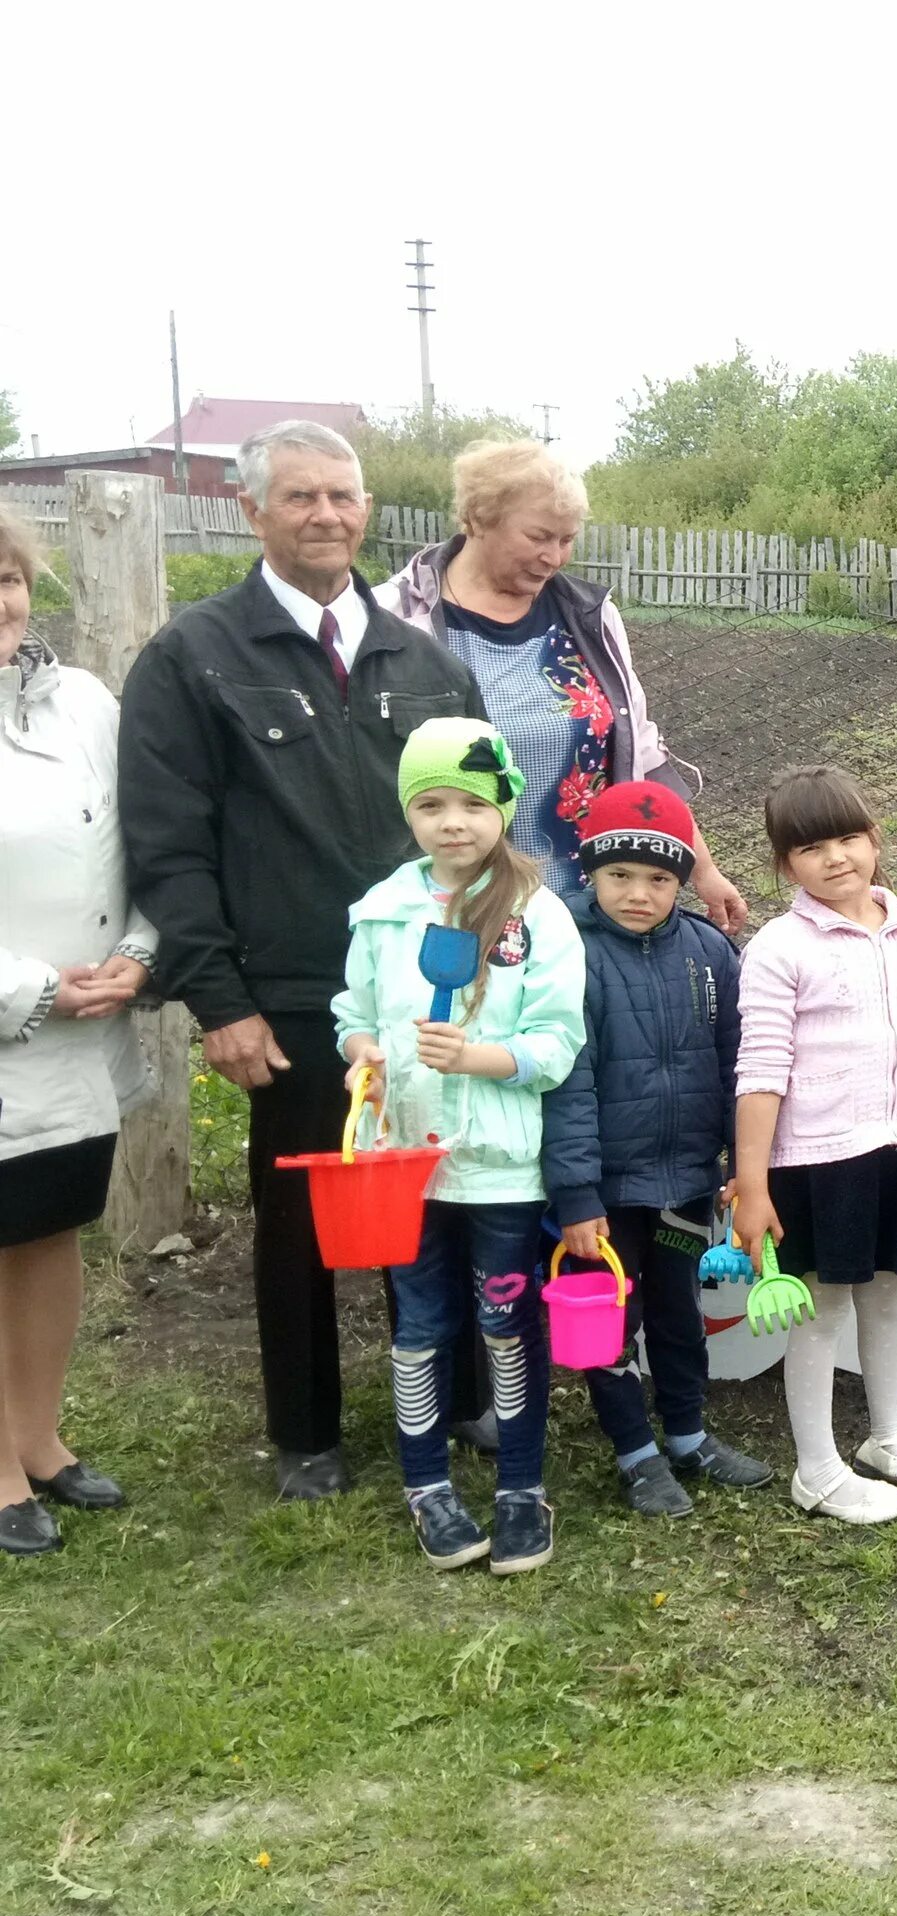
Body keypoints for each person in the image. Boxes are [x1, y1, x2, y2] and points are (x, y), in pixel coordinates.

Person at [120, 420, 484, 1499]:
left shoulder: (423, 664)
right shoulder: (195, 658)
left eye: (343, 496)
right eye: (301, 498)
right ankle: (309, 1432)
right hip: (288, 1000)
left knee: (447, 1196)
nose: (326, 516)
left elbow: (477, 831)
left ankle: (459, 1395)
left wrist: (482, 972)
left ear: (367, 508)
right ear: (251, 510)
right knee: (301, 1223)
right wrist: (218, 1000)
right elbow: (168, 845)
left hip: (424, 993)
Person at [334, 719, 586, 1573]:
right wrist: (362, 1053)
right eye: (431, 804)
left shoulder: (536, 914)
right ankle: (426, 1487)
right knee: (421, 1326)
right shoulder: (384, 913)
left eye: (473, 804)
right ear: (408, 813)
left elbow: (557, 1043)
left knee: (507, 1325)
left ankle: (521, 1487)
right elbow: (355, 1014)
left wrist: (478, 1057)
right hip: (404, 1165)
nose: (453, 823)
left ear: (503, 808)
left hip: (500, 1171)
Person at [379, 440, 747, 931]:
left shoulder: (590, 619)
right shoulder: (396, 618)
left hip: (585, 912)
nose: (554, 556)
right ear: (478, 518)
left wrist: (704, 870)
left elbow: (639, 754)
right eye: (538, 536)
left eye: (566, 539)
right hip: (451, 911)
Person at [729, 766, 897, 1525]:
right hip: (816, 1162)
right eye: (809, 848)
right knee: (820, 1311)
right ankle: (817, 1469)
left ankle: (886, 1440)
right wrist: (753, 1183)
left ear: (874, 839)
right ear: (783, 864)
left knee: (890, 1296)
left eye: (847, 838)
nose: (834, 858)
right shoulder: (778, 947)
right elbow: (760, 1070)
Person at [544, 780, 774, 1514]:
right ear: (590, 872)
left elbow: (742, 1064)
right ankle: (635, 1453)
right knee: (612, 1317)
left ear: (681, 880)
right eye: (619, 876)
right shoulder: (565, 953)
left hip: (683, 1185)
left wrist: (743, 1164)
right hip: (607, 1194)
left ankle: (686, 1435)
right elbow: (566, 1083)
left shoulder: (710, 952)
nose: (638, 894)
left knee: (678, 1310)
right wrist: (576, 1194)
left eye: (659, 879)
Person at [0, 512, 154, 1555]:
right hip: (21, 1014)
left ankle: (40, 1438)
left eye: (7, 580)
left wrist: (141, 952)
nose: (2, 605)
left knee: (45, 1233)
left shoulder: (85, 703)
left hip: (77, 1035)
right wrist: (31, 986)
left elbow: (142, 844)